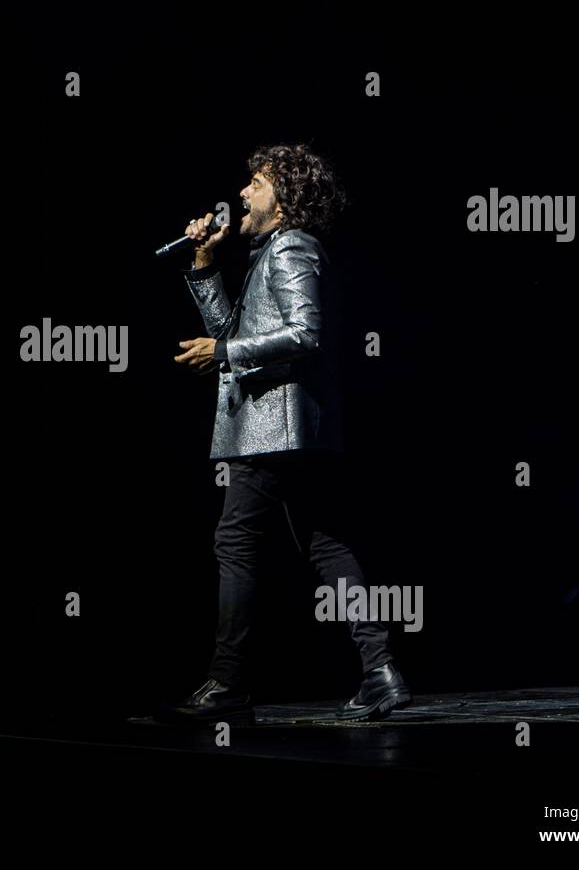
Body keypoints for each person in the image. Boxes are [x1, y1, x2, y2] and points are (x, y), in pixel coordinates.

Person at [155, 142, 410, 725]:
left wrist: (225, 349)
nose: (242, 193)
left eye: (256, 183)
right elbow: (227, 332)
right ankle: (379, 670)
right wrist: (202, 264)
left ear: (285, 197)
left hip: (274, 424)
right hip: (284, 425)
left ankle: (225, 682)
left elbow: (305, 333)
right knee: (326, 543)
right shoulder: (268, 252)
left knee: (235, 542)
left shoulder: (292, 247)